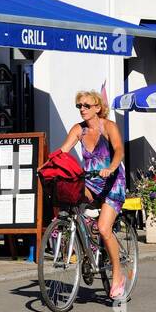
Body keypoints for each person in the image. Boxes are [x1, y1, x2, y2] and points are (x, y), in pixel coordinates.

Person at [59, 90, 127, 299]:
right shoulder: (78, 130)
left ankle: (118, 274)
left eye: (86, 106)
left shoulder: (108, 126)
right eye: (79, 106)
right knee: (70, 204)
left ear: (97, 107)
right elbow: (63, 152)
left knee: (104, 228)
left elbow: (118, 150)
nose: (82, 109)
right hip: (90, 182)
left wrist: (112, 167)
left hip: (112, 182)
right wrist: (48, 167)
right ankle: (87, 249)